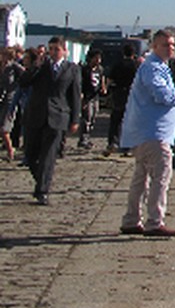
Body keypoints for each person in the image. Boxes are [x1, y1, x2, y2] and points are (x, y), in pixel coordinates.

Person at [120, 30, 175, 237]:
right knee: (160, 177)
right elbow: (163, 96)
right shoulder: (153, 68)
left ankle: (131, 219)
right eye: (165, 45)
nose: (170, 48)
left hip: (146, 133)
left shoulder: (156, 67)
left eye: (172, 44)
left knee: (140, 179)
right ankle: (154, 222)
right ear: (154, 46)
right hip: (154, 133)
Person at [19, 36, 81, 205]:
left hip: (57, 116)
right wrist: (36, 65)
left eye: (56, 49)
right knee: (30, 155)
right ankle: (42, 180)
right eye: (51, 49)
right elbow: (23, 82)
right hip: (35, 115)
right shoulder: (41, 67)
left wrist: (75, 119)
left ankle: (42, 191)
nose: (53, 52)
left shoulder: (72, 69)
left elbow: (75, 95)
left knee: (48, 156)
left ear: (65, 51)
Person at [105, 44, 139, 156]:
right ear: (133, 53)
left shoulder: (118, 64)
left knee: (115, 120)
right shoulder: (136, 65)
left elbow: (110, 80)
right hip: (132, 95)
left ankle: (113, 142)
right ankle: (127, 147)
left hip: (118, 94)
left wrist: (108, 92)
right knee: (129, 121)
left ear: (123, 53)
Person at [78, 49, 107, 149]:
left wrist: (103, 87)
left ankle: (88, 137)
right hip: (87, 97)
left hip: (95, 96)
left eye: (99, 58)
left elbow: (102, 78)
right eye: (96, 58)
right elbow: (80, 83)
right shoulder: (85, 69)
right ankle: (83, 139)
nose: (98, 60)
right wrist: (81, 95)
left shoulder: (100, 69)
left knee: (93, 117)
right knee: (87, 118)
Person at [1, 47, 25, 161]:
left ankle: (10, 150)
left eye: (4, 55)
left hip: (10, 100)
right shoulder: (1, 66)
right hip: (1, 98)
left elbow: (26, 76)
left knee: (4, 128)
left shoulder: (14, 67)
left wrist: (18, 89)